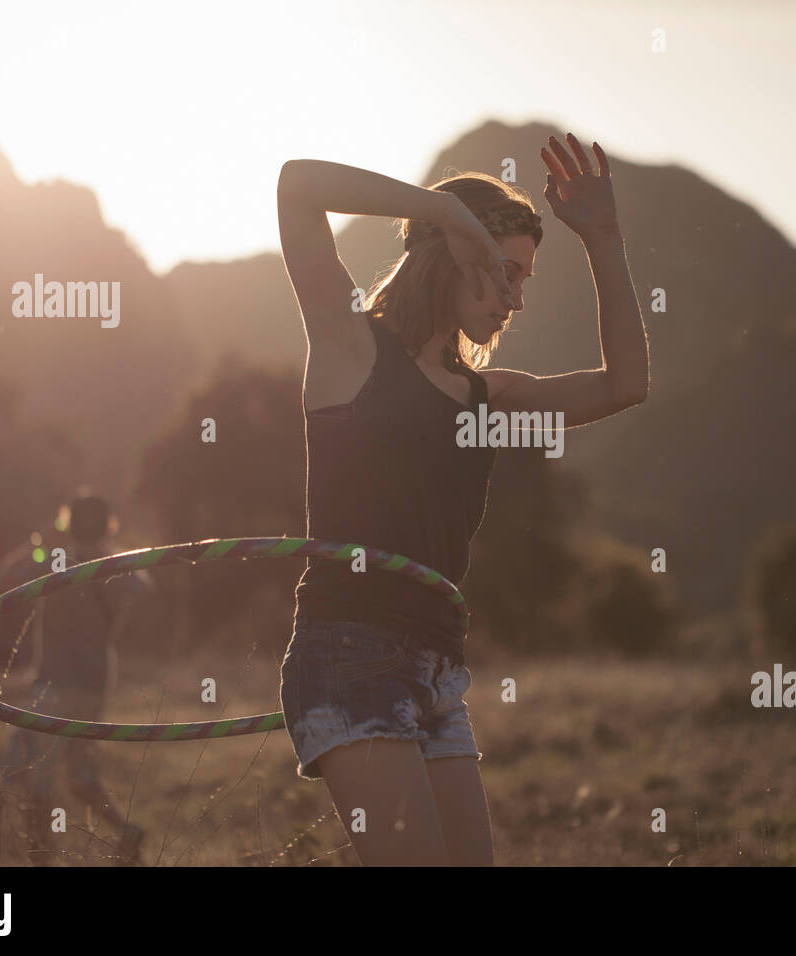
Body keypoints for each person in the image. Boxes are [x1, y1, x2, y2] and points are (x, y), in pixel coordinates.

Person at [276, 133, 649, 865]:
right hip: (350, 652)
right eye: (502, 272)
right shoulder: (352, 347)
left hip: (439, 668)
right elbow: (297, 185)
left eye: (525, 281)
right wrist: (443, 209)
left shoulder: (491, 397)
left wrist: (603, 235)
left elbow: (625, 384)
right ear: (451, 257)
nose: (514, 298)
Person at [0, 492, 153, 864]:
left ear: (68, 523)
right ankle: (127, 832)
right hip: (95, 680)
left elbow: (5, 576)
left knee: (37, 778)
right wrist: (113, 557)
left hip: (56, 683)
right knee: (79, 775)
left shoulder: (54, 560)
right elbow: (144, 587)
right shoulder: (115, 564)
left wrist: (41, 542)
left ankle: (42, 860)